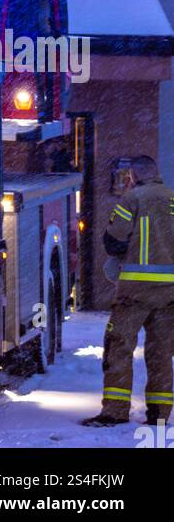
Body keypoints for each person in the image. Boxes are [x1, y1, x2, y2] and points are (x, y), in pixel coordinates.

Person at [81, 155, 174, 427]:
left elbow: (114, 240)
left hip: (134, 291)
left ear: (133, 176)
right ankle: (159, 414)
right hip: (169, 293)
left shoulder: (133, 199)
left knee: (119, 346)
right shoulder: (172, 198)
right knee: (161, 352)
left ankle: (115, 411)